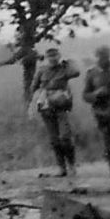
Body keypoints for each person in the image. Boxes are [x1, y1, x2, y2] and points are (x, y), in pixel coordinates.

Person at [31, 47, 80, 176]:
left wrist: (68, 63)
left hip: (62, 106)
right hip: (46, 106)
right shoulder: (41, 70)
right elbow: (33, 87)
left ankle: (71, 165)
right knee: (54, 139)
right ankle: (61, 167)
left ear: (59, 56)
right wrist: (40, 96)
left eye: (55, 56)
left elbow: (76, 72)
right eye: (50, 57)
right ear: (47, 58)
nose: (53, 59)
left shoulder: (64, 68)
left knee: (65, 137)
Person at [82, 45, 110, 190]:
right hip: (104, 115)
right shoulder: (92, 73)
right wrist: (96, 94)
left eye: (106, 56)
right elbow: (85, 95)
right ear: (97, 57)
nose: (103, 59)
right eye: (100, 56)